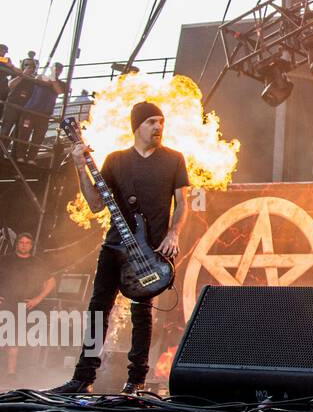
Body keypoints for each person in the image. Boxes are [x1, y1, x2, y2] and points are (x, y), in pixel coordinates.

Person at [50, 102, 189, 395]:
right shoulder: (115, 160)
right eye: (152, 121)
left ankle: (136, 380)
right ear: (137, 126)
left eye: (161, 121)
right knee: (98, 310)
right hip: (114, 246)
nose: (158, 127)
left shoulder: (174, 160)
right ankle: (82, 377)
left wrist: (174, 233)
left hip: (149, 250)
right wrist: (79, 167)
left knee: (142, 311)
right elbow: (96, 204)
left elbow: (182, 204)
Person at [0, 233, 55, 383]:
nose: (24, 245)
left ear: (31, 246)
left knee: (15, 339)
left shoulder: (37, 263)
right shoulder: (5, 259)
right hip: (4, 304)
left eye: (27, 243)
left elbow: (51, 282)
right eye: (21, 242)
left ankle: (11, 374)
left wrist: (37, 299)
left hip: (23, 306)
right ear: (17, 244)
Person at [1, 59, 38, 157]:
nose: (29, 68)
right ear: (23, 66)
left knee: (18, 133)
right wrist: (22, 75)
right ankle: (0, 152)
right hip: (12, 106)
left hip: (25, 109)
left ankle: (13, 155)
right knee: (6, 129)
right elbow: (11, 85)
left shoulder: (34, 79)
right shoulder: (17, 74)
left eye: (32, 66)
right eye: (27, 65)